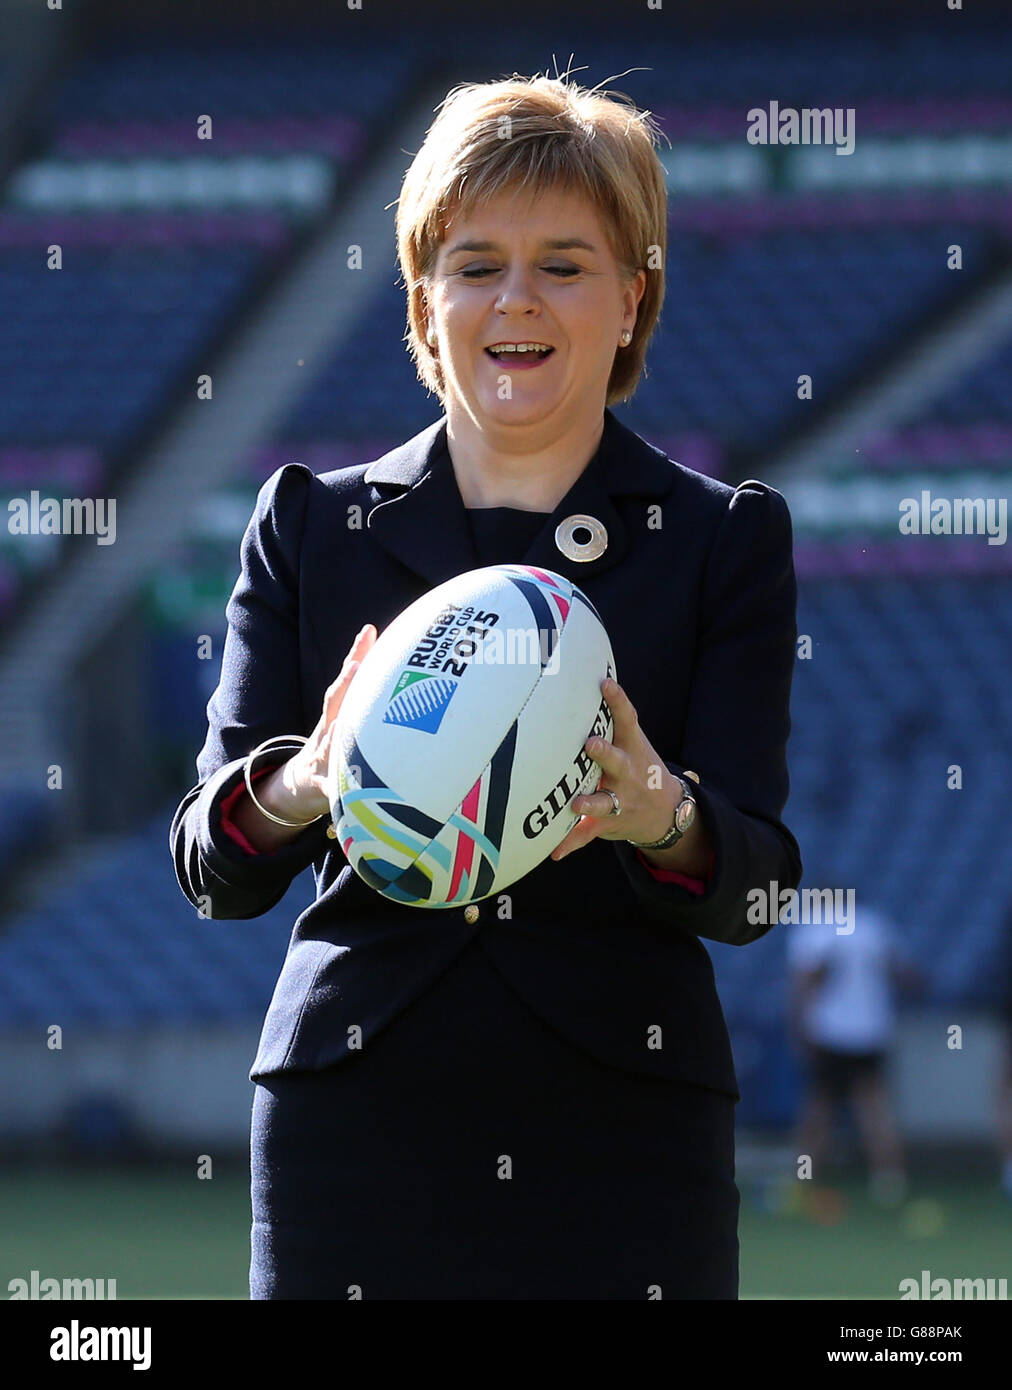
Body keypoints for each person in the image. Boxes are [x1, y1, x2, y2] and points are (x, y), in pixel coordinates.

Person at [170, 71, 802, 1300]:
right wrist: (309, 778)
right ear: (424, 302)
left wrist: (658, 816)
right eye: (476, 263)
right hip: (352, 1139)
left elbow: (760, 884)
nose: (515, 298)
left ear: (632, 299)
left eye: (565, 263)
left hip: (625, 1141)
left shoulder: (722, 539)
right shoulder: (312, 525)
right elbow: (213, 861)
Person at [787, 899, 923, 1206]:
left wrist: (800, 1029)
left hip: (832, 1031)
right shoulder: (873, 924)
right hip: (873, 1031)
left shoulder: (816, 928)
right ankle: (890, 1181)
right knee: (874, 1106)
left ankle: (803, 1180)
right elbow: (905, 974)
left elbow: (806, 982)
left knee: (819, 1109)